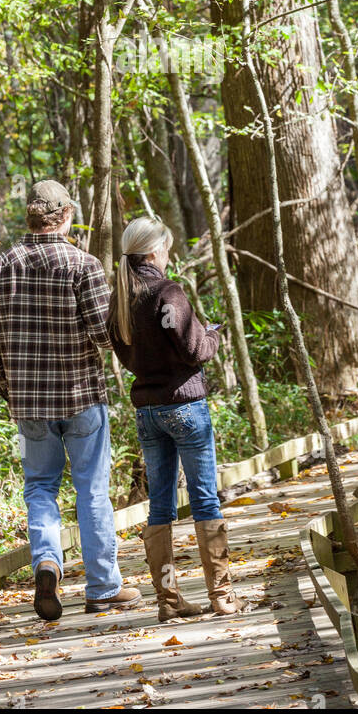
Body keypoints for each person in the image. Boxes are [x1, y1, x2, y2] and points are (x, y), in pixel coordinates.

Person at [0, 179, 142, 621]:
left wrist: (10, 390)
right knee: (92, 489)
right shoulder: (82, 265)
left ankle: (47, 563)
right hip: (80, 395)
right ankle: (103, 587)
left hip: (29, 402)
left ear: (30, 216)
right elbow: (102, 334)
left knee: (40, 488)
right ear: (66, 214)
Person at [107, 215, 239, 621]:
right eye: (166, 246)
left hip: (147, 410)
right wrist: (213, 334)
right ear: (153, 250)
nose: (169, 253)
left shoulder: (121, 299)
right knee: (204, 497)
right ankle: (223, 596)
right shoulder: (168, 291)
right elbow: (195, 350)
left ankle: (168, 600)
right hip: (185, 406)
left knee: (159, 505)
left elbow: (127, 352)